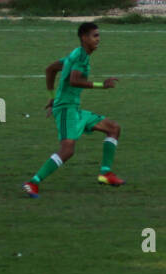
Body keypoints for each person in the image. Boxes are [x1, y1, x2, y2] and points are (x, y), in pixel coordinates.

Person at [23, 22, 124, 196]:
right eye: (95, 36)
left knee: (113, 128)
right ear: (84, 38)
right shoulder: (80, 57)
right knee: (67, 150)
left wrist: (52, 95)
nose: (98, 39)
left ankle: (105, 173)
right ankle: (33, 182)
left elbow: (51, 69)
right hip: (65, 110)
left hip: (74, 109)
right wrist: (102, 85)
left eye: (98, 35)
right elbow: (74, 80)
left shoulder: (76, 54)